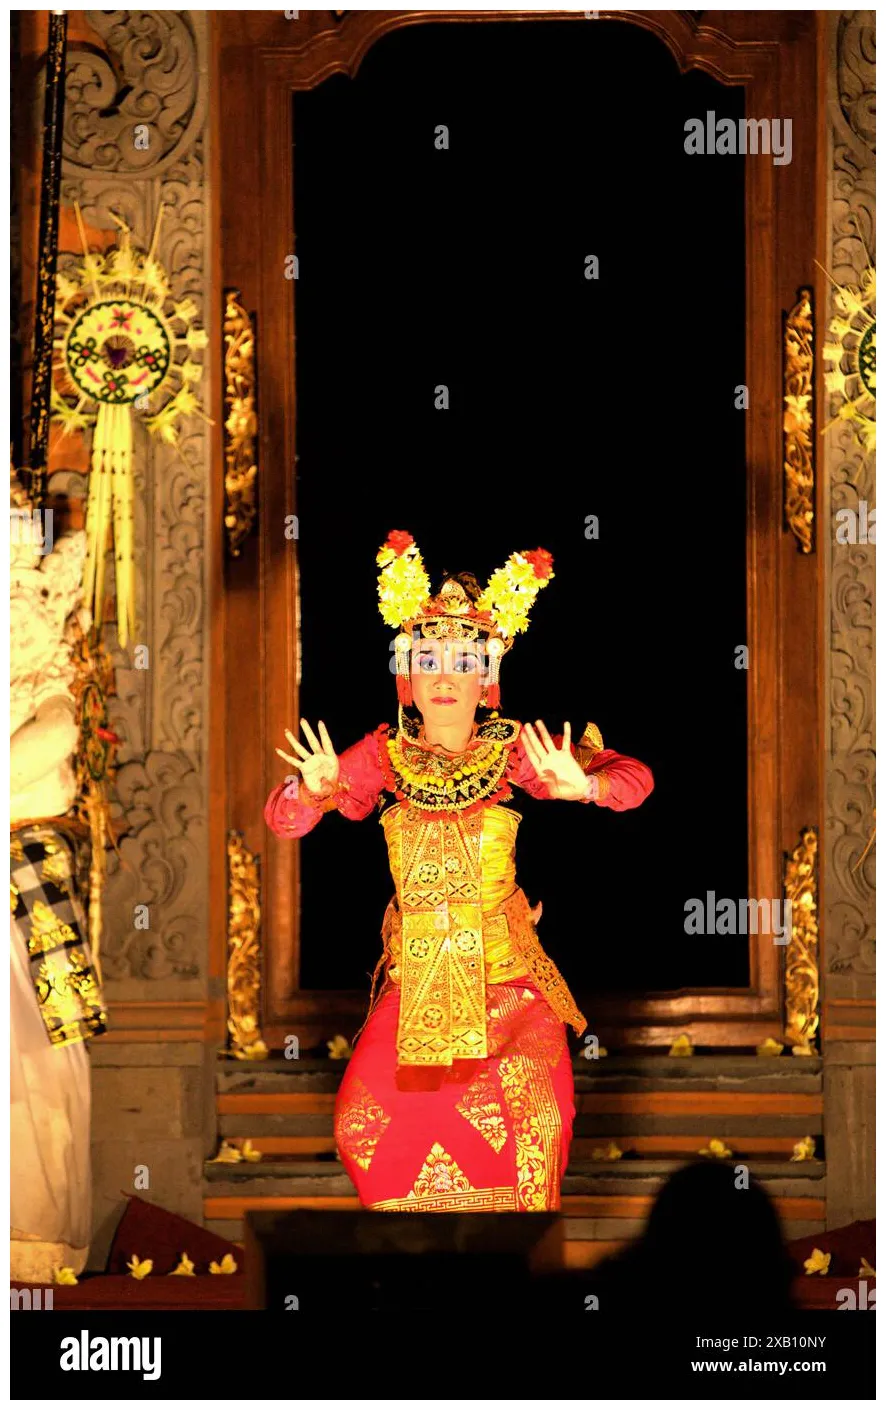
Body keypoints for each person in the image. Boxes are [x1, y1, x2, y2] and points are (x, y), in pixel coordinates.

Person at [265, 530, 653, 1211]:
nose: (445, 677)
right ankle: (416, 1277)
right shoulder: (381, 756)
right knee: (363, 1127)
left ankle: (515, 1276)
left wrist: (584, 786)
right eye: (428, 661)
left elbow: (636, 782)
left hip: (508, 986)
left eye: (462, 661)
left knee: (532, 1124)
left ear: (487, 676)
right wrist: (313, 790)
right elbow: (284, 822)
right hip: (416, 988)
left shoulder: (516, 752)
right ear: (406, 678)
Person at [10, 478, 107, 1281]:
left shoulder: (42, 674)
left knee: (43, 1065)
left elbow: (53, 756)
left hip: (26, 880)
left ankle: (34, 1268)